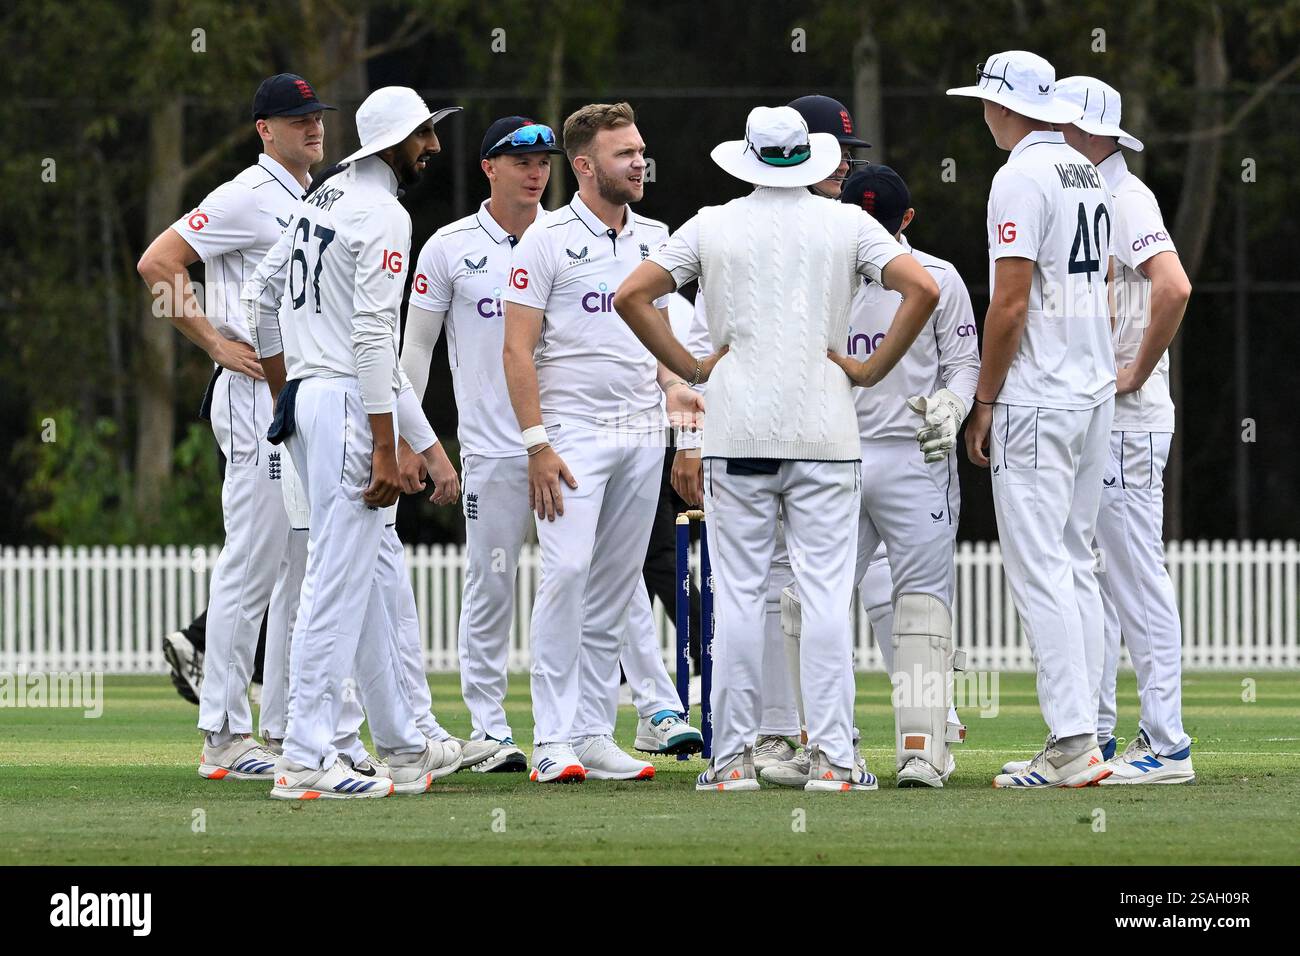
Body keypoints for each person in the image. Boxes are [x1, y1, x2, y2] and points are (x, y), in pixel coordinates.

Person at [616, 105, 939, 791]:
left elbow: (633, 295)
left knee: (736, 600)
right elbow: (924, 287)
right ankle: (835, 760)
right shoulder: (848, 222)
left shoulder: (713, 222)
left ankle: (730, 762)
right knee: (823, 600)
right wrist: (870, 369)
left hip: (739, 432)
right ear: (811, 160)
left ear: (750, 157)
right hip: (825, 431)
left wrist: (695, 367)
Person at [249, 86, 463, 799]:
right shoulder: (383, 212)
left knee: (369, 584)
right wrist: (384, 445)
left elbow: (263, 295)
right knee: (336, 589)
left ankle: (401, 748)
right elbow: (375, 339)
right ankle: (305, 760)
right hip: (345, 404)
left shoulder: (327, 197)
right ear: (393, 142)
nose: (432, 146)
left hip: (317, 398)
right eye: (423, 136)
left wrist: (289, 389)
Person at [136, 73, 332, 781]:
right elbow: (158, 261)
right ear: (265, 129)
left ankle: (276, 728)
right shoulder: (245, 195)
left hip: (301, 392)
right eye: (296, 118)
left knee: (295, 567)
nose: (312, 127)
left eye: (316, 116)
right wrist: (214, 342)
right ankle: (222, 732)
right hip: (252, 397)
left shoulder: (313, 195)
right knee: (254, 559)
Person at [502, 102, 704, 784]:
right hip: (570, 438)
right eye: (624, 154)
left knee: (615, 587)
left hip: (642, 434)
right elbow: (517, 351)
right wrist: (536, 444)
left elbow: (669, 348)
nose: (639, 161)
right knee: (564, 576)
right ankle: (552, 737)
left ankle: (593, 733)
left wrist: (680, 399)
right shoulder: (546, 238)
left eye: (641, 150)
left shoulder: (658, 238)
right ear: (585, 166)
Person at [766, 165, 979, 789]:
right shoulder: (820, 280)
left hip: (916, 456)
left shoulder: (937, 276)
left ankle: (923, 747)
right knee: (809, 601)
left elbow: (963, 363)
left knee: (919, 604)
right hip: (836, 456)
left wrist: (954, 406)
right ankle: (832, 747)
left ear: (903, 223)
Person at [948, 50, 1117, 788]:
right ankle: (1090, 733)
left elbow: (1009, 303)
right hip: (1091, 389)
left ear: (1004, 105)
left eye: (985, 100)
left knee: (1043, 566)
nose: (982, 112)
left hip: (1041, 396)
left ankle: (1073, 741)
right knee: (1075, 562)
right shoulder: (1086, 168)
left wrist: (983, 401)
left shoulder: (1018, 175)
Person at [1055, 75, 1195, 784]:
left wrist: (1135, 371)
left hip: (1130, 419)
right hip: (1110, 415)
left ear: (1090, 132)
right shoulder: (1097, 191)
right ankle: (1102, 739)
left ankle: (1167, 744)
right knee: (1105, 581)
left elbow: (1174, 286)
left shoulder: (1124, 196)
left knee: (1135, 579)